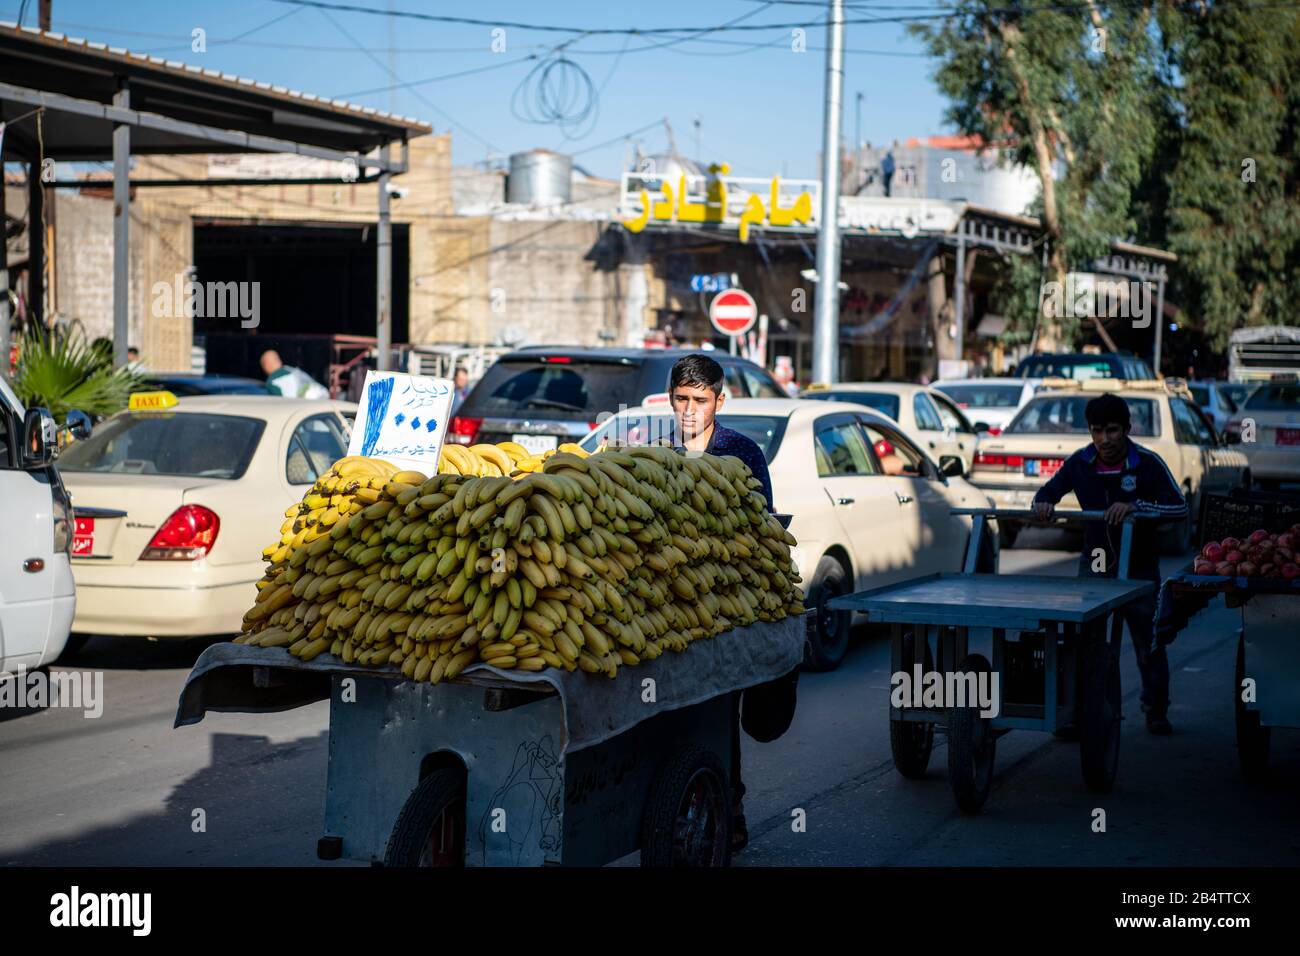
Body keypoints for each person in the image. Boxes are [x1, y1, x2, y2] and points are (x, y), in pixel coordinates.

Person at [666, 354, 774, 854]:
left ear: (719, 401)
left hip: (725, 600)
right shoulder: (657, 455)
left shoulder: (741, 452)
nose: (689, 410)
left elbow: (763, 524)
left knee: (719, 714)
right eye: (682, 399)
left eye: (700, 401)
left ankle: (731, 807)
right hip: (668, 604)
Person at [1031, 393, 1187, 735]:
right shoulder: (1079, 463)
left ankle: (1155, 709)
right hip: (1095, 567)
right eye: (1097, 431)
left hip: (1140, 570)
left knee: (1149, 644)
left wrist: (1137, 507)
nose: (1105, 439)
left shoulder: (1147, 463)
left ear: (1127, 429)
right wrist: (1042, 504)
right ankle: (1075, 712)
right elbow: (1046, 493)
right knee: (1084, 643)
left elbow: (1179, 507)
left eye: (1113, 431)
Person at [260, 349, 329, 399]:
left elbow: (280, 404)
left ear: (266, 364)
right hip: (321, 398)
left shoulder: (272, 382)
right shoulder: (292, 371)